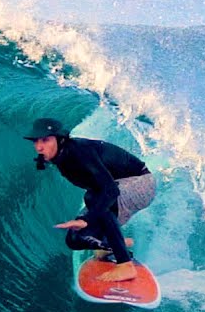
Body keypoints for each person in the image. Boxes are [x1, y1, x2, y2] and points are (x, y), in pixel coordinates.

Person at [24, 117, 156, 282]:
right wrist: (86, 221)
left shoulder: (80, 151)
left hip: (141, 184)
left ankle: (125, 265)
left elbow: (109, 190)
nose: (39, 147)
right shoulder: (61, 156)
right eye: (36, 141)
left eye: (45, 140)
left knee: (93, 198)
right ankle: (111, 246)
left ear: (60, 139)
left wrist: (88, 219)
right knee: (74, 238)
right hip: (113, 192)